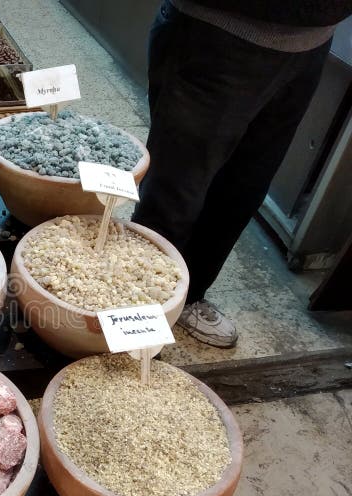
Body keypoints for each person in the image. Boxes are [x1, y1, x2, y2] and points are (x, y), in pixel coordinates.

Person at [132, 0, 352, 348]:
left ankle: (189, 295)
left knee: (244, 188)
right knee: (176, 190)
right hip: (218, 30)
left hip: (311, 41)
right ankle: (136, 309)